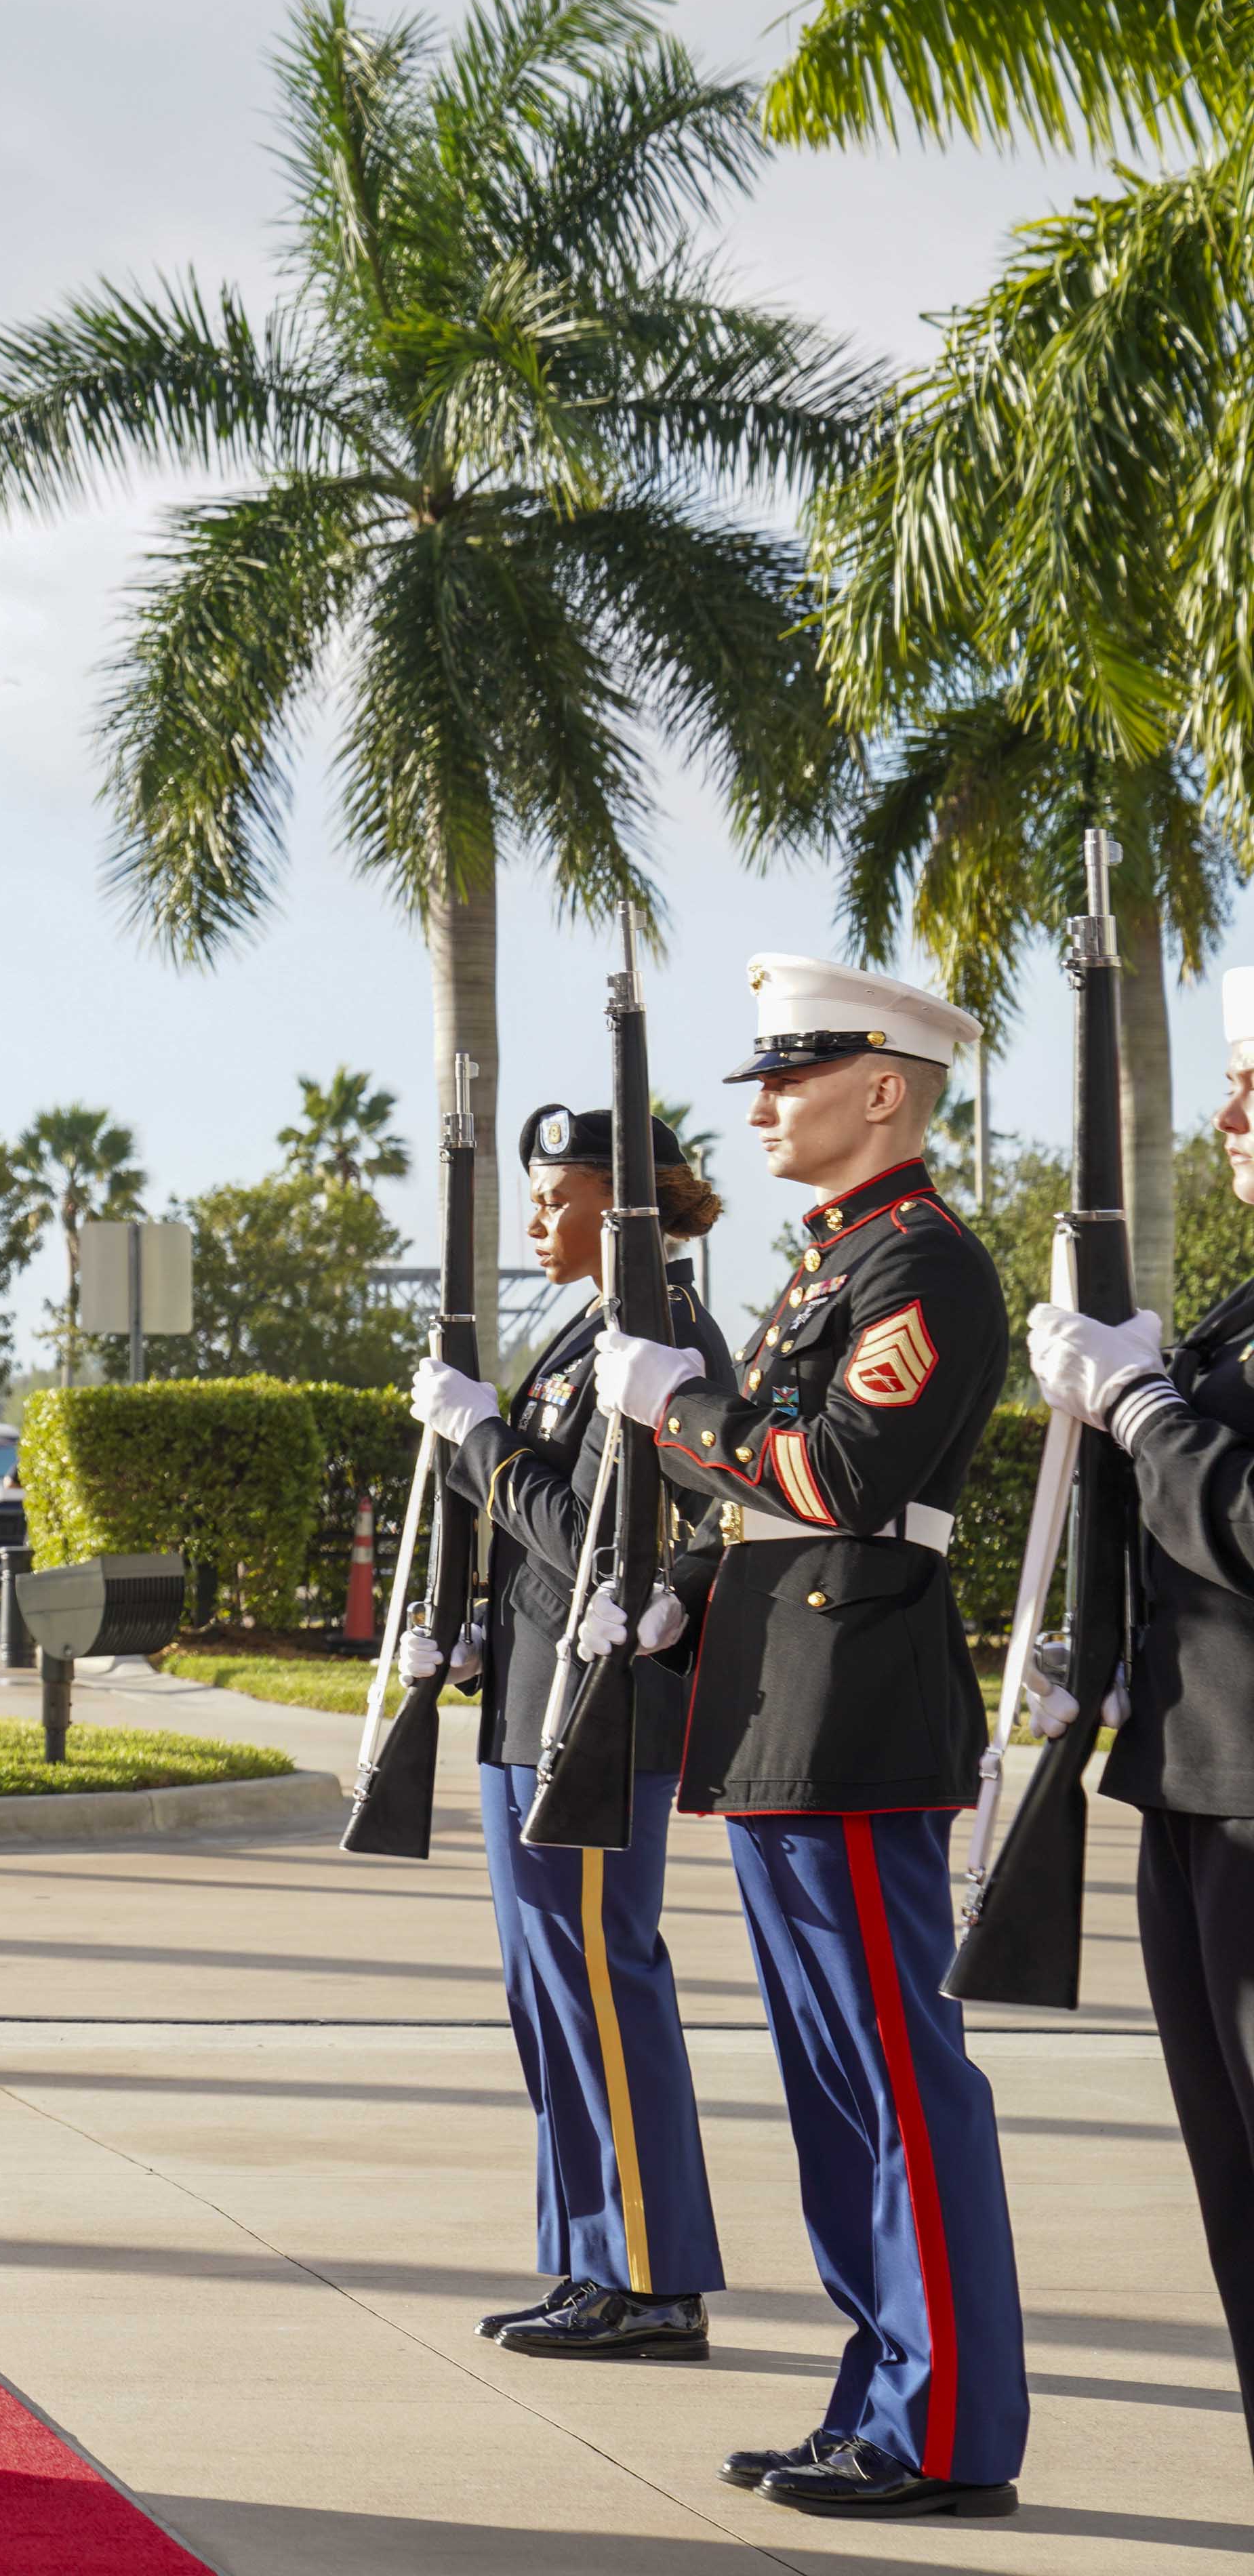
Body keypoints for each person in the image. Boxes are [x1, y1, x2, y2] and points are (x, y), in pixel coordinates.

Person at [589, 956, 1027, 2519]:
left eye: (794, 1076)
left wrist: (679, 1411)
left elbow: (838, 1472)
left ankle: (951, 2424)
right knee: (837, 2082)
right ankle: (880, 2394)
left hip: (857, 1710)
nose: (765, 1102)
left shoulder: (925, 1265)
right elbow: (773, 1493)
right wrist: (679, 1590)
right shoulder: (835, 1263)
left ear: (888, 1089)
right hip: (786, 1706)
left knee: (903, 2080)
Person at [408, 1103, 733, 2361]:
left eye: (559, 1195)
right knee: (549, 1997)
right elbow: (545, 1552)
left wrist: (478, 1435)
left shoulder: (663, 1337)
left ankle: (656, 2281)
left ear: (627, 1205)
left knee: (603, 1983)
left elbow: (602, 1532)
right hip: (533, 1704)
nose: (538, 1219)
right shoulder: (586, 1333)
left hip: (599, 1719)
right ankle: (597, 2259)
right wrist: (480, 1626)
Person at [1021, 964, 1254, 2469]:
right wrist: (1112, 1661)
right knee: (1233, 2199)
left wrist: (1147, 1411)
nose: (1231, 1114)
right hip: (1192, 1781)